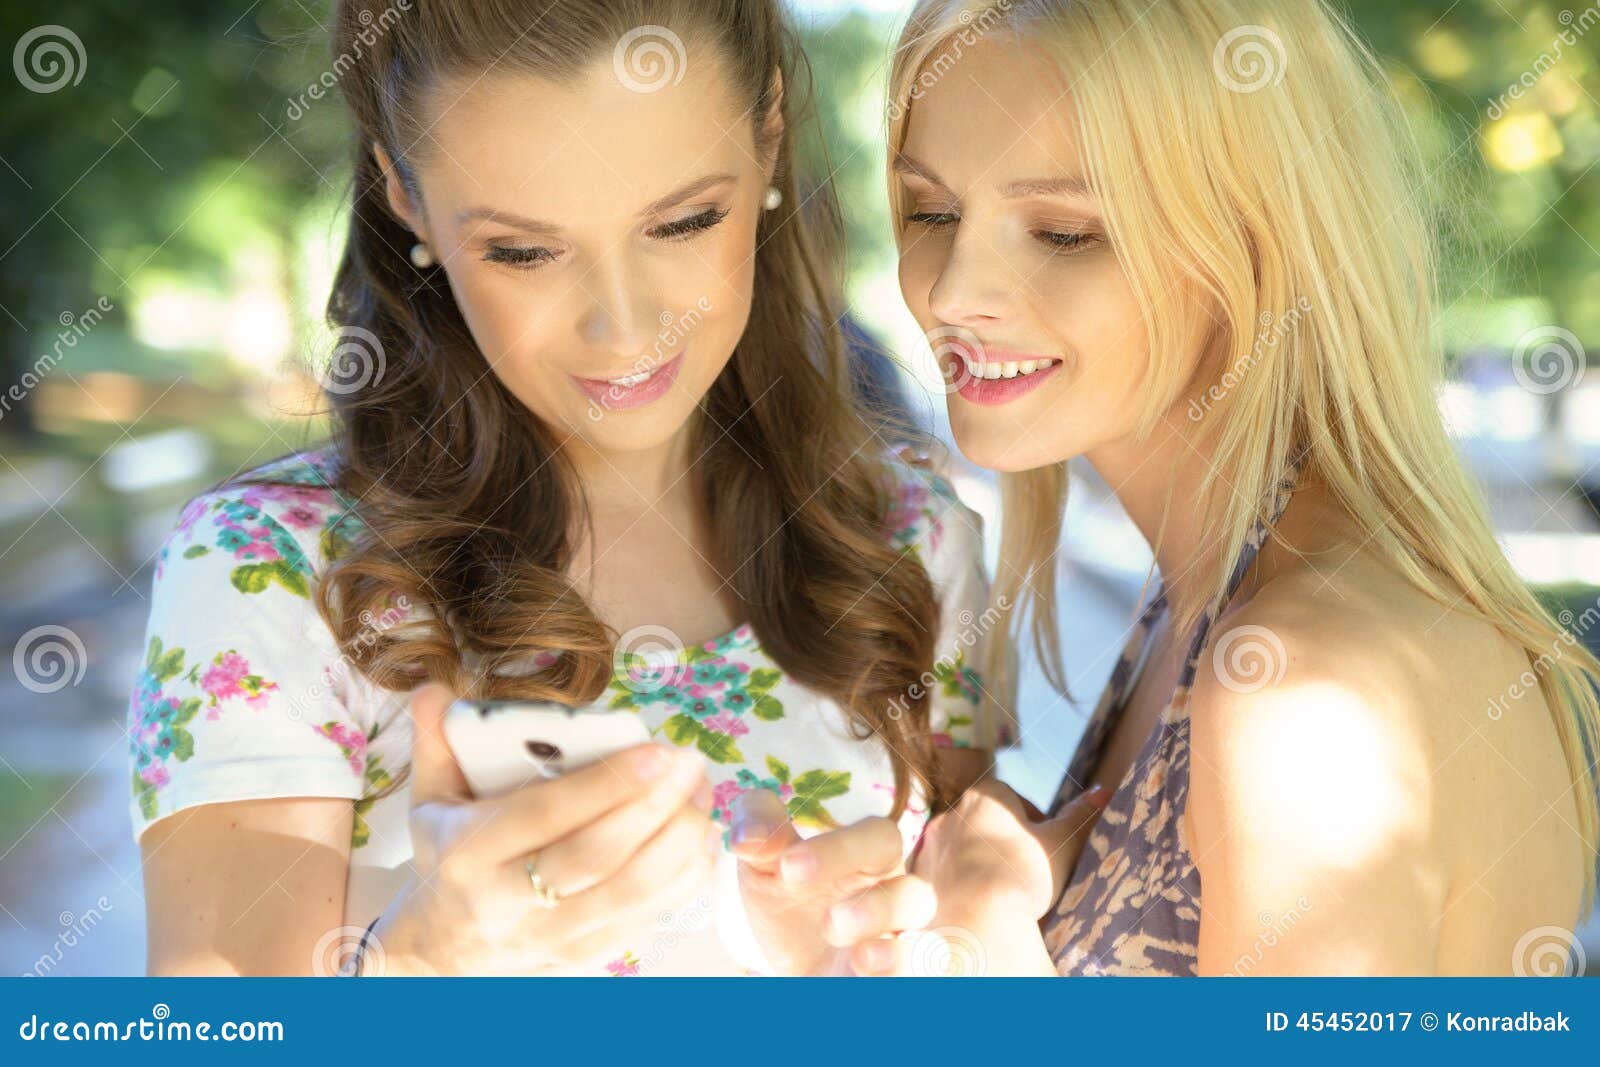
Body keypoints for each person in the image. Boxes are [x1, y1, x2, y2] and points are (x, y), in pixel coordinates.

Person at [129, 0, 1012, 977]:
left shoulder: (907, 542)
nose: (626, 330)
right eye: (523, 250)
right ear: (403, 193)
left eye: (682, 221)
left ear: (768, 136)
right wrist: (416, 968)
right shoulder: (269, 574)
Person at [830, 0, 1600, 976]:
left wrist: (976, 942)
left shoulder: (1297, 691)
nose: (949, 291)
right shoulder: (1205, 607)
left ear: (1253, 247)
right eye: (933, 212)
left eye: (1064, 231)